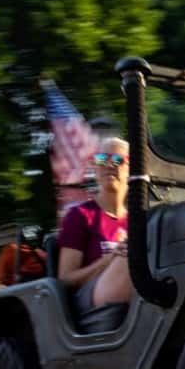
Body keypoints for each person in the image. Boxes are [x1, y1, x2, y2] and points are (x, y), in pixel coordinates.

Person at [56, 138, 136, 329]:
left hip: (133, 295)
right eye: (102, 159)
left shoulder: (138, 221)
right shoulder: (81, 215)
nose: (109, 164)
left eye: (118, 159)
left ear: (131, 168)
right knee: (130, 253)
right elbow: (66, 278)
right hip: (88, 301)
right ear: (95, 168)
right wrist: (108, 261)